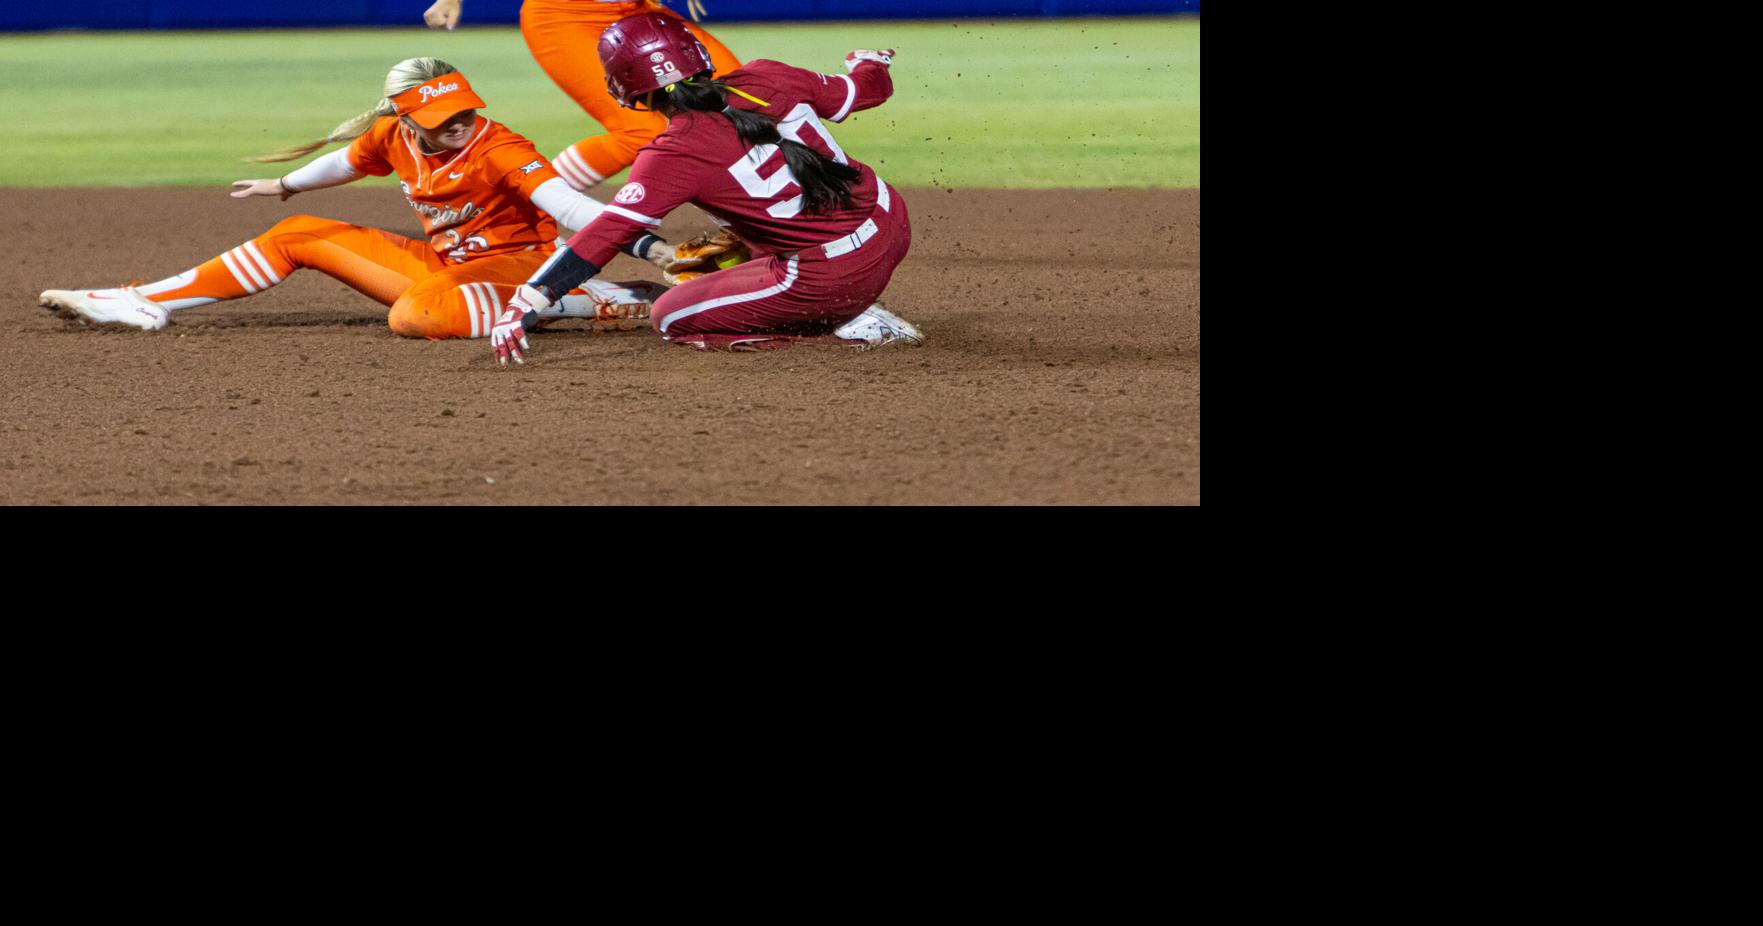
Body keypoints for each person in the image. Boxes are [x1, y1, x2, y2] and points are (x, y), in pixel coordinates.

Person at [40, 57, 672, 337]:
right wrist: (284, 186)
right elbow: (344, 162)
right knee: (297, 235)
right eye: (440, 119)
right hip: (452, 265)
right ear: (406, 119)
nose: (455, 124)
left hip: (518, 265)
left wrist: (642, 243)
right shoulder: (393, 136)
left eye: (461, 111)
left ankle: (596, 298)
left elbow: (567, 205)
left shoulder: (498, 147)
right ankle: (141, 302)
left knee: (417, 318)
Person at [488, 12, 922, 363]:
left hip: (832, 278)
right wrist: (869, 61)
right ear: (696, 53)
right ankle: (840, 303)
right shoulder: (767, 76)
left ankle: (846, 332)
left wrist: (527, 300)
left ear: (623, 85)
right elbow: (869, 90)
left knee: (670, 317)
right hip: (892, 221)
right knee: (738, 244)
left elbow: (606, 234)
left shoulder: (671, 153)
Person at [422, 0, 742, 191]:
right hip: (564, 16)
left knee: (738, 99)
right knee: (640, 132)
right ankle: (521, 209)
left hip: (637, 11)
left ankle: (748, 223)